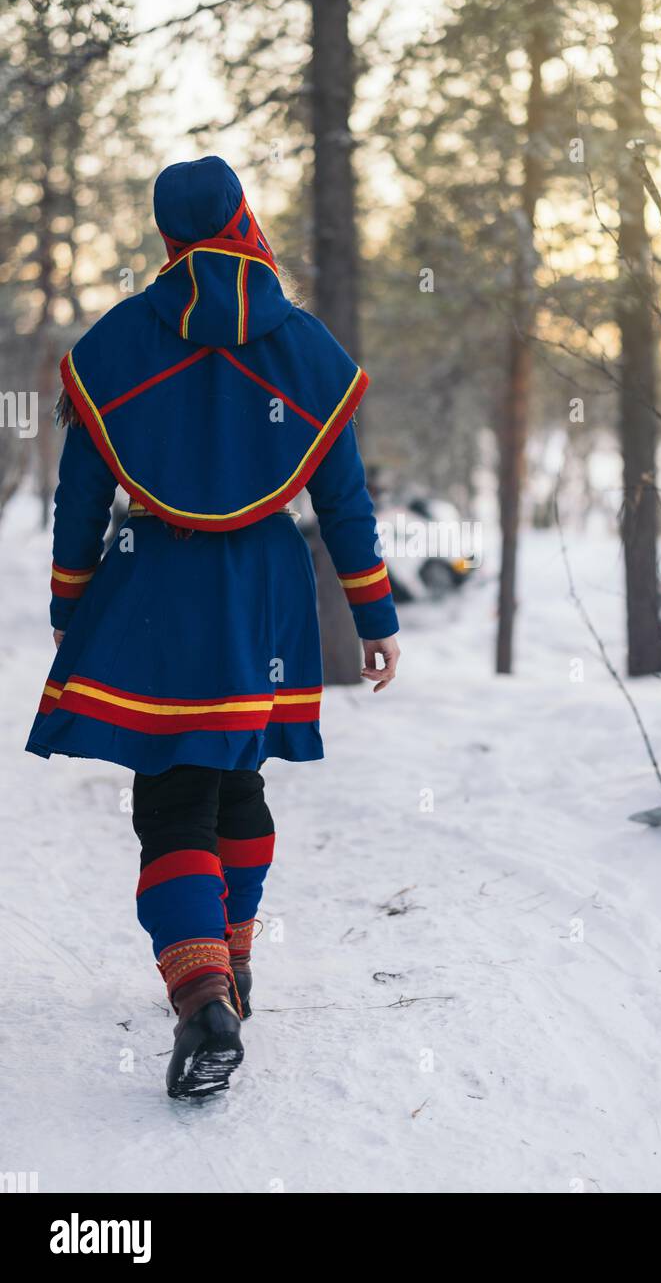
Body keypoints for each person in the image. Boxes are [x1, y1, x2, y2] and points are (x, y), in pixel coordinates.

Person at [26, 157, 401, 1099]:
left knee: (171, 799)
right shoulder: (302, 345)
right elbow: (343, 499)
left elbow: (81, 497)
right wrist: (373, 614)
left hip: (155, 583)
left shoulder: (118, 341)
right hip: (264, 588)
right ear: (244, 220)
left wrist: (72, 601)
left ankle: (203, 998)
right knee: (238, 779)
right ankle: (232, 967)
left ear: (167, 237)